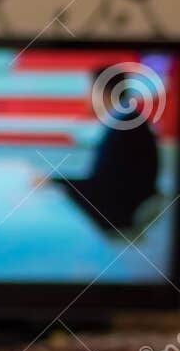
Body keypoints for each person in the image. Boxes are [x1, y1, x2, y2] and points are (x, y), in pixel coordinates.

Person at [41, 70, 160, 233]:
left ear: (102, 92)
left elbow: (103, 186)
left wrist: (55, 182)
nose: (85, 97)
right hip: (123, 205)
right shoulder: (127, 120)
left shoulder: (123, 126)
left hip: (118, 214)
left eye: (89, 90)